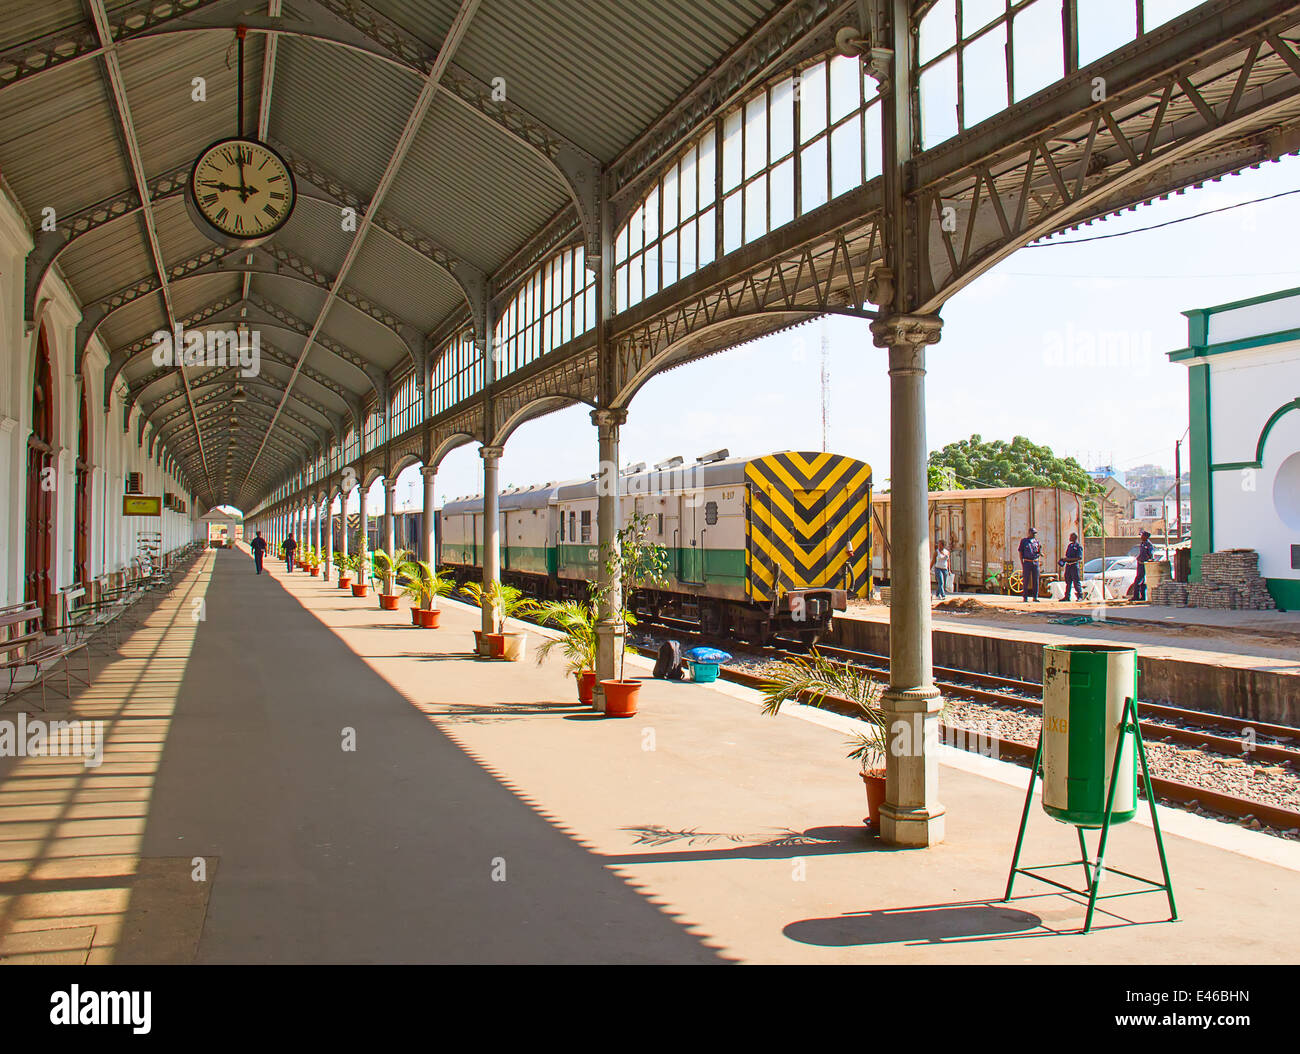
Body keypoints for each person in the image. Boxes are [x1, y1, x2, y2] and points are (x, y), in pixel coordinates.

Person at [1128, 530, 1155, 601]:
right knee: (1141, 581)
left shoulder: (1149, 545)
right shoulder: (1142, 544)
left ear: (1146, 537)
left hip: (1144, 565)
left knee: (1138, 581)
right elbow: (1141, 553)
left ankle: (1136, 596)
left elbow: (1151, 555)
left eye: (1142, 535)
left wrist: (1146, 560)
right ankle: (1142, 597)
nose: (1141, 537)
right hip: (1140, 564)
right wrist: (1138, 558)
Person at [1018, 527, 1041, 602]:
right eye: (1033, 533)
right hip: (1027, 562)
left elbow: (1038, 552)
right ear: (1029, 533)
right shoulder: (1024, 541)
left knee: (1036, 580)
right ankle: (1025, 597)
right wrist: (1022, 562)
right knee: (1026, 580)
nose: (1034, 535)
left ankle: (1035, 597)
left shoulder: (1036, 542)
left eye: (1035, 533)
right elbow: (1021, 552)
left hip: (1035, 562)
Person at [1060, 532, 1084, 601]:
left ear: (1074, 537)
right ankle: (1067, 596)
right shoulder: (1070, 545)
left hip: (1074, 565)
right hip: (1068, 566)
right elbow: (1067, 555)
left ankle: (1080, 596)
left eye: (1071, 537)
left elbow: (1079, 557)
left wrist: (1069, 559)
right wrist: (1064, 560)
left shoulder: (1078, 546)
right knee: (1068, 582)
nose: (1069, 538)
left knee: (1076, 581)